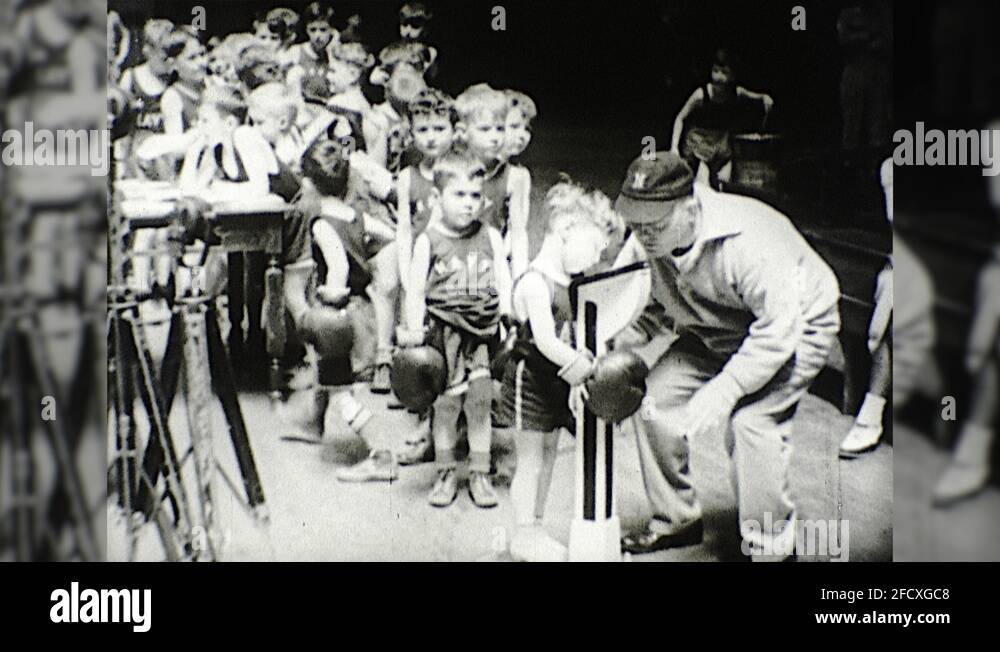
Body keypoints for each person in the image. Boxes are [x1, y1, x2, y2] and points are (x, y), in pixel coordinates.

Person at [612, 152, 840, 561]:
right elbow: (641, 312)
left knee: (752, 425)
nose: (643, 236)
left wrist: (726, 388)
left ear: (690, 207)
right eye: (636, 222)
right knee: (653, 403)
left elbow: (778, 329)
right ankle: (676, 519)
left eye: (656, 225)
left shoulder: (751, 240)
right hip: (713, 331)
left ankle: (771, 547)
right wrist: (602, 343)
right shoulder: (643, 241)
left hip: (796, 328)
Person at [497, 180, 621, 561]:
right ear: (567, 229)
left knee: (549, 454)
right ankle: (523, 535)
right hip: (530, 380)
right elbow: (547, 342)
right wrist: (583, 370)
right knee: (531, 461)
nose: (595, 258)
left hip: (555, 381)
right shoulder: (536, 282)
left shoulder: (571, 281)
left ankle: (534, 525)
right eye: (594, 246)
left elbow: (574, 333)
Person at [400, 151, 512, 507]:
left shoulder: (490, 236)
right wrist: (415, 332)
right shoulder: (428, 240)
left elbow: (503, 278)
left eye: (475, 196)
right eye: (459, 195)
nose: (468, 204)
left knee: (480, 406)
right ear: (437, 198)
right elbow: (415, 291)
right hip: (443, 335)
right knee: (446, 408)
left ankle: (479, 473)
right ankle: (446, 472)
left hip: (480, 334)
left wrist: (508, 314)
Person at [454, 83, 531, 279]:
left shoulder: (515, 177)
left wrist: (517, 281)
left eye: (499, 129)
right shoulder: (450, 169)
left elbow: (518, 234)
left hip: (492, 266)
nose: (495, 137)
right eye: (486, 129)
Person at [670, 49, 773, 190]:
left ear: (732, 76)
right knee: (701, 185)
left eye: (724, 73)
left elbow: (757, 97)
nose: (718, 77)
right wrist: (674, 147)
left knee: (724, 182)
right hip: (698, 146)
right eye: (715, 71)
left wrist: (764, 98)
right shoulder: (701, 95)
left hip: (720, 147)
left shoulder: (736, 93)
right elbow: (680, 118)